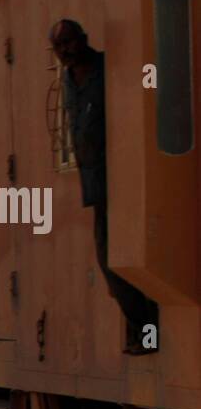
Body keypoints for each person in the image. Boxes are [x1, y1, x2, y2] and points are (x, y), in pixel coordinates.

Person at [51, 18, 159, 355]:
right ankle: (143, 326)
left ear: (83, 39)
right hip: (97, 186)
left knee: (123, 256)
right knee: (109, 260)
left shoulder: (106, 69)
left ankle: (148, 329)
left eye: (69, 42)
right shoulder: (68, 81)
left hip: (124, 178)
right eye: (59, 46)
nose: (66, 50)